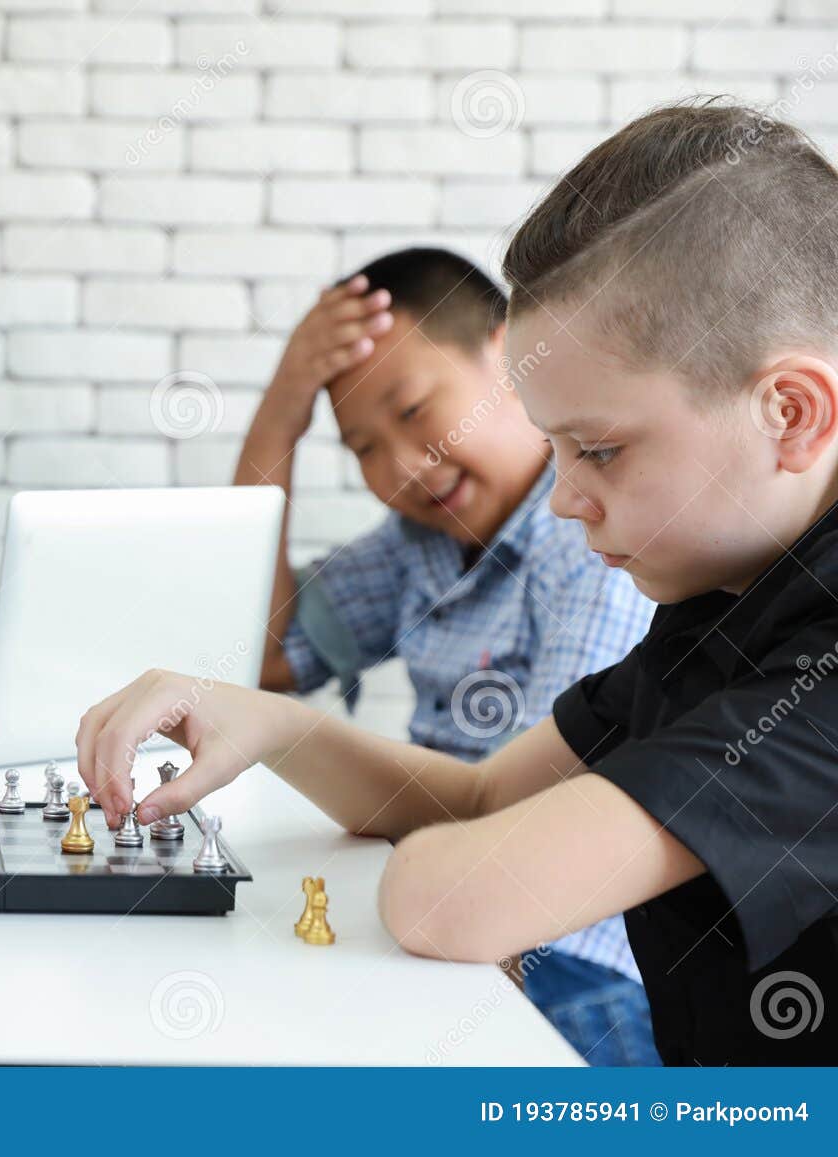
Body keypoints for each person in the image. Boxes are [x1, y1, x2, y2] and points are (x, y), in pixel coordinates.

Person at [79, 100, 838, 1065]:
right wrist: (267, 722)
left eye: (601, 450)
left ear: (790, 413)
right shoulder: (713, 601)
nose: (564, 499)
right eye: (556, 448)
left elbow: (452, 897)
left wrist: (427, 867)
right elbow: (481, 798)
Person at [233, 247, 657, 1064]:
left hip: (569, 970)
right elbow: (257, 653)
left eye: (415, 409)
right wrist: (281, 414)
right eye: (362, 447)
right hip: (437, 923)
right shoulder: (415, 548)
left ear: (514, 355)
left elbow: (534, 821)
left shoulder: (596, 546)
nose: (402, 468)